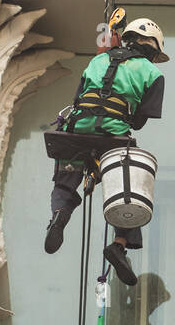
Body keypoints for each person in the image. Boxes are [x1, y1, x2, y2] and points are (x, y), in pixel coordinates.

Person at [44, 17, 168, 285]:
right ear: (153, 48)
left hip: (77, 128)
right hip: (112, 135)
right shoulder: (153, 73)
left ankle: (59, 216)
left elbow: (78, 97)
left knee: (66, 180)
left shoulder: (97, 61)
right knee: (126, 190)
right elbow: (140, 120)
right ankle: (119, 244)